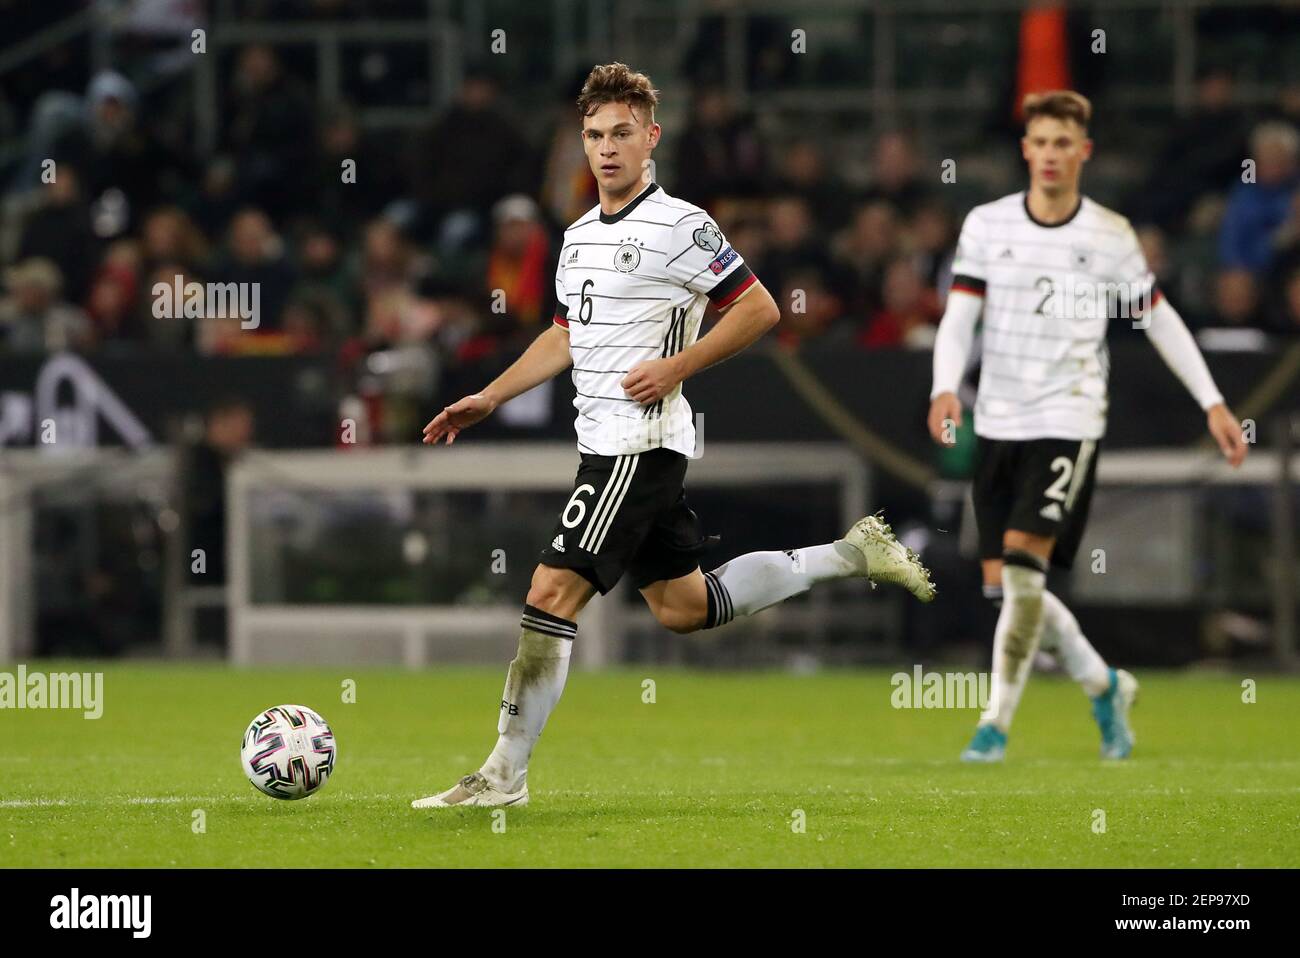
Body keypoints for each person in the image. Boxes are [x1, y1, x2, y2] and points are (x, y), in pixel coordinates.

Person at [414, 63, 935, 809]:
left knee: (550, 590)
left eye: (621, 133)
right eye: (594, 135)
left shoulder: (683, 225)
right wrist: (489, 396)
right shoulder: (577, 235)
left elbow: (758, 309)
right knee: (684, 608)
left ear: (651, 137)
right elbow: (564, 335)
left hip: (640, 442)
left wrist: (677, 366)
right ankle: (852, 552)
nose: (606, 148)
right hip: (603, 442)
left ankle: (504, 775)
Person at [927, 91, 1248, 762]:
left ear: (1084, 152)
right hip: (999, 419)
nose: (1049, 155)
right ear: (1026, 150)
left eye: (1062, 144)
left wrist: (1213, 402)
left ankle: (994, 725)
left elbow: (1157, 318)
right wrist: (945, 387)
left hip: (1068, 417)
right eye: (1039, 142)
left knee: (1020, 570)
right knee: (1011, 587)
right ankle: (1103, 684)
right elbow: (959, 316)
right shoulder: (987, 224)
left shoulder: (1109, 235)